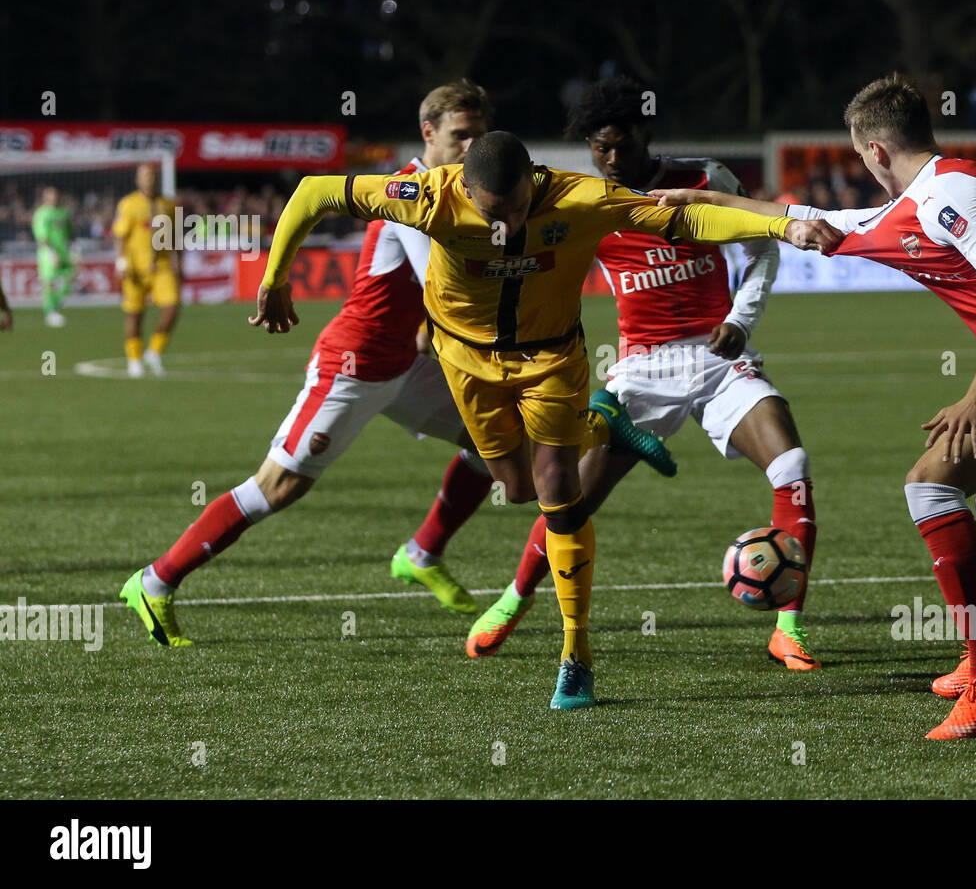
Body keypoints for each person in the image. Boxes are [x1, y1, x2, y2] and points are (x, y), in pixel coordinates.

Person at [248, 130, 841, 709]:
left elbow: (690, 220)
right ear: (465, 189)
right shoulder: (427, 195)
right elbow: (313, 192)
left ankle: (575, 655)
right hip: (467, 363)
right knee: (517, 486)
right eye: (489, 211)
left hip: (552, 358)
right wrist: (276, 276)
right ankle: (603, 423)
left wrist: (782, 224)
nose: (503, 224)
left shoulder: (580, 198)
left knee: (560, 490)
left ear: (532, 184)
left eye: (513, 209)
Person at [655, 74, 976, 738]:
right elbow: (803, 222)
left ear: (875, 152)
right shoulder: (909, 206)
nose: (863, 170)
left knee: (928, 485)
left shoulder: (949, 192)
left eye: (860, 158)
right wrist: (704, 200)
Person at [121, 81, 507, 647]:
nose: (472, 145)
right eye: (460, 135)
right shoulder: (406, 192)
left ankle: (422, 552)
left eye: (479, 135)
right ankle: (154, 581)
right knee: (277, 487)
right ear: (429, 134)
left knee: (493, 438)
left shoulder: (464, 191)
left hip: (402, 363)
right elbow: (442, 289)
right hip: (353, 364)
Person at [466, 77, 821, 670]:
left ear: (644, 134)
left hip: (718, 359)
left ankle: (788, 627)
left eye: (619, 145)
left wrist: (740, 317)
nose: (609, 158)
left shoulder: (704, 179)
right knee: (566, 496)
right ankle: (512, 599)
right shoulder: (585, 200)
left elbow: (762, 244)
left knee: (793, 467)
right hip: (640, 369)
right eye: (597, 148)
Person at [113, 163, 181, 377]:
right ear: (138, 180)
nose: (149, 179)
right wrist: (121, 263)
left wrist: (178, 261)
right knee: (135, 314)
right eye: (144, 176)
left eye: (152, 175)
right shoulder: (129, 204)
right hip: (135, 267)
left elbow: (174, 236)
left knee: (173, 306)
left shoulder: (167, 204)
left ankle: (154, 351)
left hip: (162, 266)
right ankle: (134, 360)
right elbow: (120, 236)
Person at [32, 186, 76, 327]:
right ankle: (50, 312)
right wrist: (51, 252)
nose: (53, 198)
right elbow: (41, 236)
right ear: (45, 198)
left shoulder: (64, 212)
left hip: (64, 251)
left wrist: (75, 248)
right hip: (47, 253)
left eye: (55, 195)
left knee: (71, 277)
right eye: (50, 195)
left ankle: (56, 304)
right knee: (49, 282)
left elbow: (70, 232)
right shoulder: (41, 214)